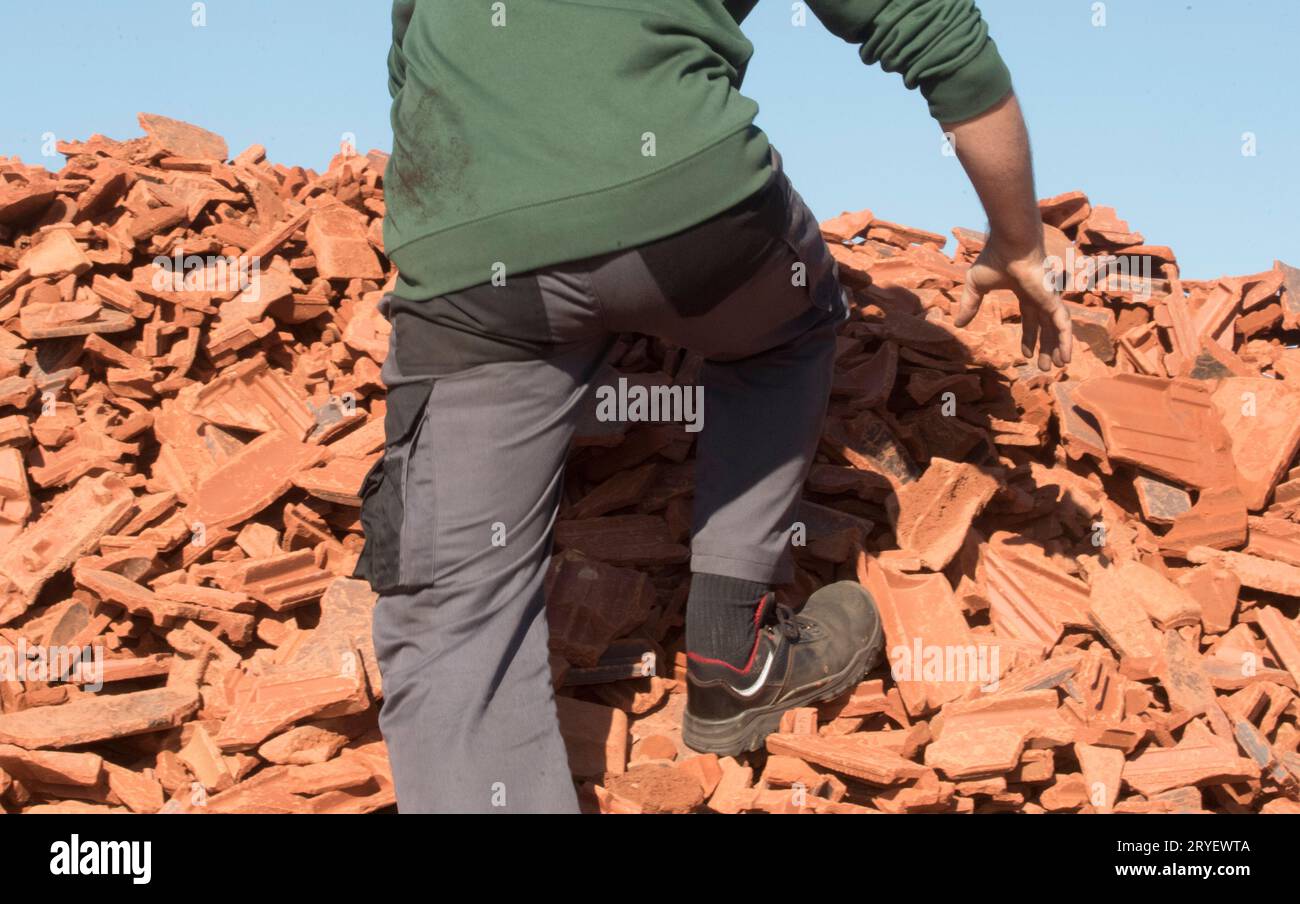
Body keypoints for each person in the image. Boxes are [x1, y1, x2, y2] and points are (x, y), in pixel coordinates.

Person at [356, 0, 1073, 814]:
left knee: (451, 614)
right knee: (789, 324)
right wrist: (1018, 241)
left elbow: (408, 57)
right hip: (689, 204)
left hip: (463, 240)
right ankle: (735, 652)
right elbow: (936, 33)